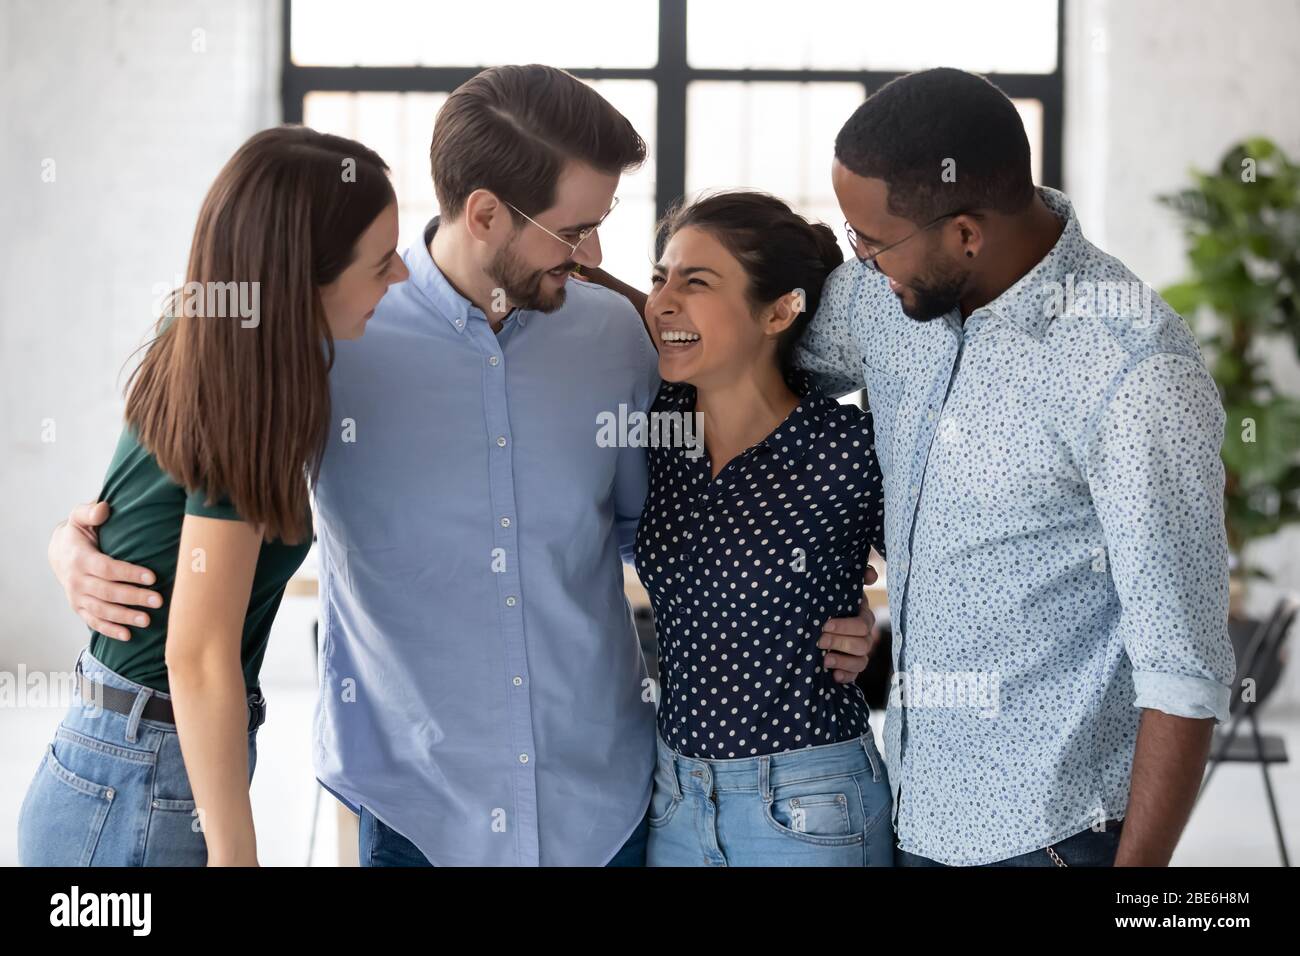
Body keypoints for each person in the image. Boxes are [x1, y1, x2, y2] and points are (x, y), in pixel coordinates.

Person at [46, 65, 880, 867]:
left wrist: (827, 615)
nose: (595, 251)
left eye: (603, 219)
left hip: (604, 804)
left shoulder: (620, 339)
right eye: (574, 227)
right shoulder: (332, 338)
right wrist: (79, 543)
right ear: (486, 214)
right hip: (414, 807)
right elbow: (182, 462)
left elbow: (674, 515)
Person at [798, 67, 1236, 866]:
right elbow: (752, 363)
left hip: (1053, 840)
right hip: (910, 815)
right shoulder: (881, 300)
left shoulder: (1135, 373)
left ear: (967, 232)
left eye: (873, 241)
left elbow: (1184, 669)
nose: (857, 262)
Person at [22, 126, 406, 866]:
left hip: (121, 758)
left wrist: (63, 543)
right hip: (143, 777)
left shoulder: (205, 330)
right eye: (382, 264)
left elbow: (139, 520)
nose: (401, 282)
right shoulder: (250, 396)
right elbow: (196, 657)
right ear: (306, 281)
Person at [634, 192, 894, 866]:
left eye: (696, 282)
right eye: (660, 277)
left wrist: (875, 636)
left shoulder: (849, 447)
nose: (662, 301)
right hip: (673, 799)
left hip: (812, 801)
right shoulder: (655, 429)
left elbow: (952, 584)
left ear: (780, 311)